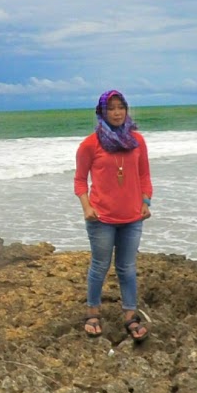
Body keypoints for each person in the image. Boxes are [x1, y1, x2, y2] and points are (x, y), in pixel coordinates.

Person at [74, 90, 153, 341]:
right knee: (99, 266)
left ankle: (130, 315)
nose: (117, 113)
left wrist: (146, 201)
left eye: (121, 107)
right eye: (111, 108)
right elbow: (79, 180)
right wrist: (87, 207)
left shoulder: (137, 140)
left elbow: (144, 175)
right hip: (101, 219)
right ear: (102, 112)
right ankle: (92, 312)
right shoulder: (90, 144)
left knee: (127, 267)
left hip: (132, 218)